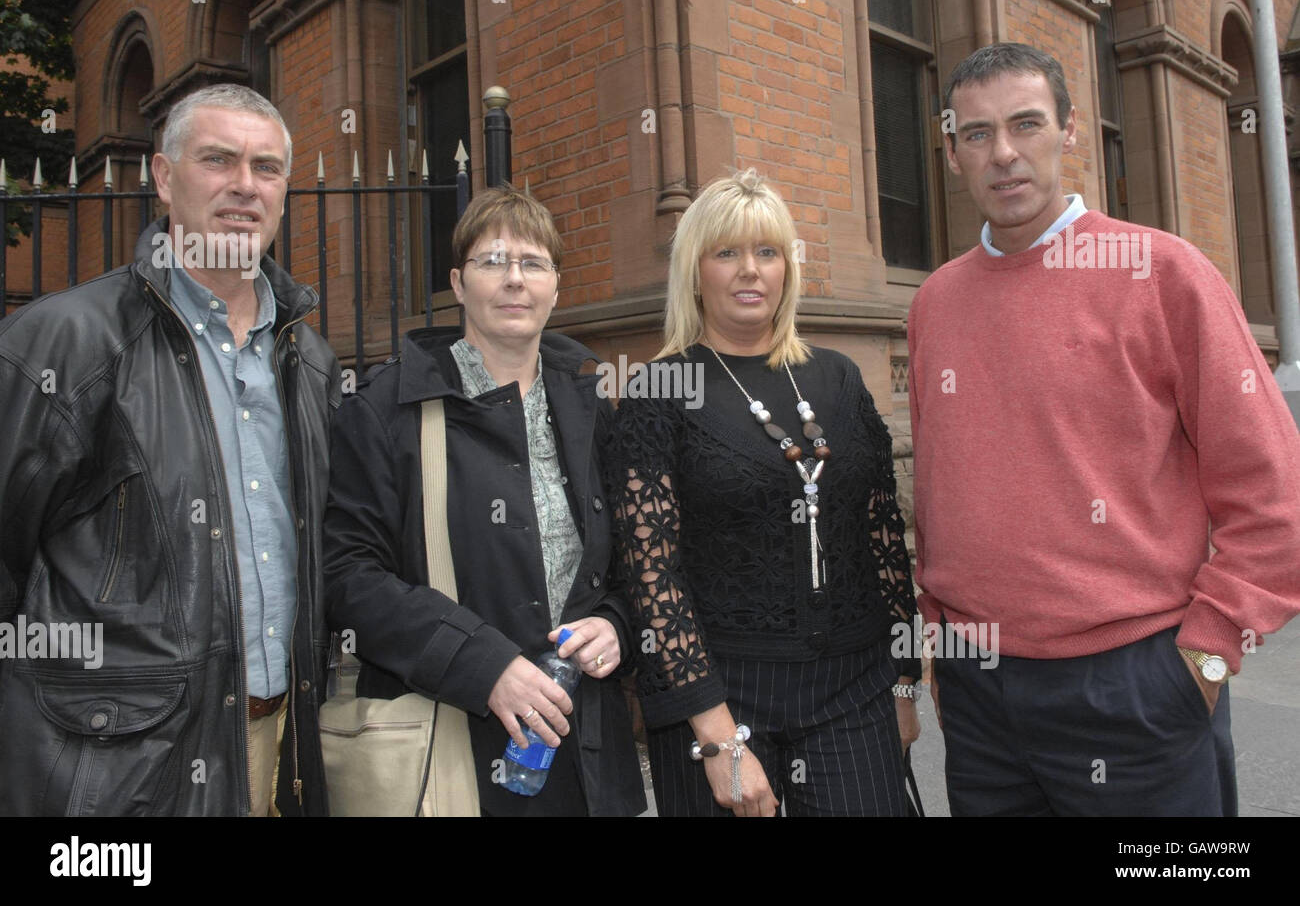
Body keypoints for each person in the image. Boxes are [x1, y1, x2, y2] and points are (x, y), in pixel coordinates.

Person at [909, 42, 1300, 816]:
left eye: (1026, 124)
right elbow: (940, 491)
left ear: (1071, 131)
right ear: (952, 152)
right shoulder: (935, 303)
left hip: (1138, 689)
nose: (1005, 153)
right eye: (978, 134)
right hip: (980, 698)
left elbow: (1274, 491)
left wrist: (1209, 654)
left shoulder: (1163, 273)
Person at [0, 84, 340, 816]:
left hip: (280, 743)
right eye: (218, 160)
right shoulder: (67, 340)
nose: (245, 186)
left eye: (267, 167)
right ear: (162, 176)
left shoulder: (308, 356)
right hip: (120, 764)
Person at [605, 168, 920, 817]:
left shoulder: (837, 379)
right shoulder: (657, 392)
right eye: (727, 253)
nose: (750, 270)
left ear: (787, 268)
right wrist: (716, 735)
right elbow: (652, 575)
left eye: (767, 251)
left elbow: (881, 538)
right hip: (722, 694)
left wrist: (905, 679)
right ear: (696, 270)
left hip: (855, 687)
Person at [323, 184, 645, 816]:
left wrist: (617, 626)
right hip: (453, 744)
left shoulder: (591, 409)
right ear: (458, 281)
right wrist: (482, 663)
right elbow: (347, 577)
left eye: (532, 263)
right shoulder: (387, 410)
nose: (514, 280)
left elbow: (637, 561)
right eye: (493, 262)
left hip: (585, 752)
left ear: (556, 285)